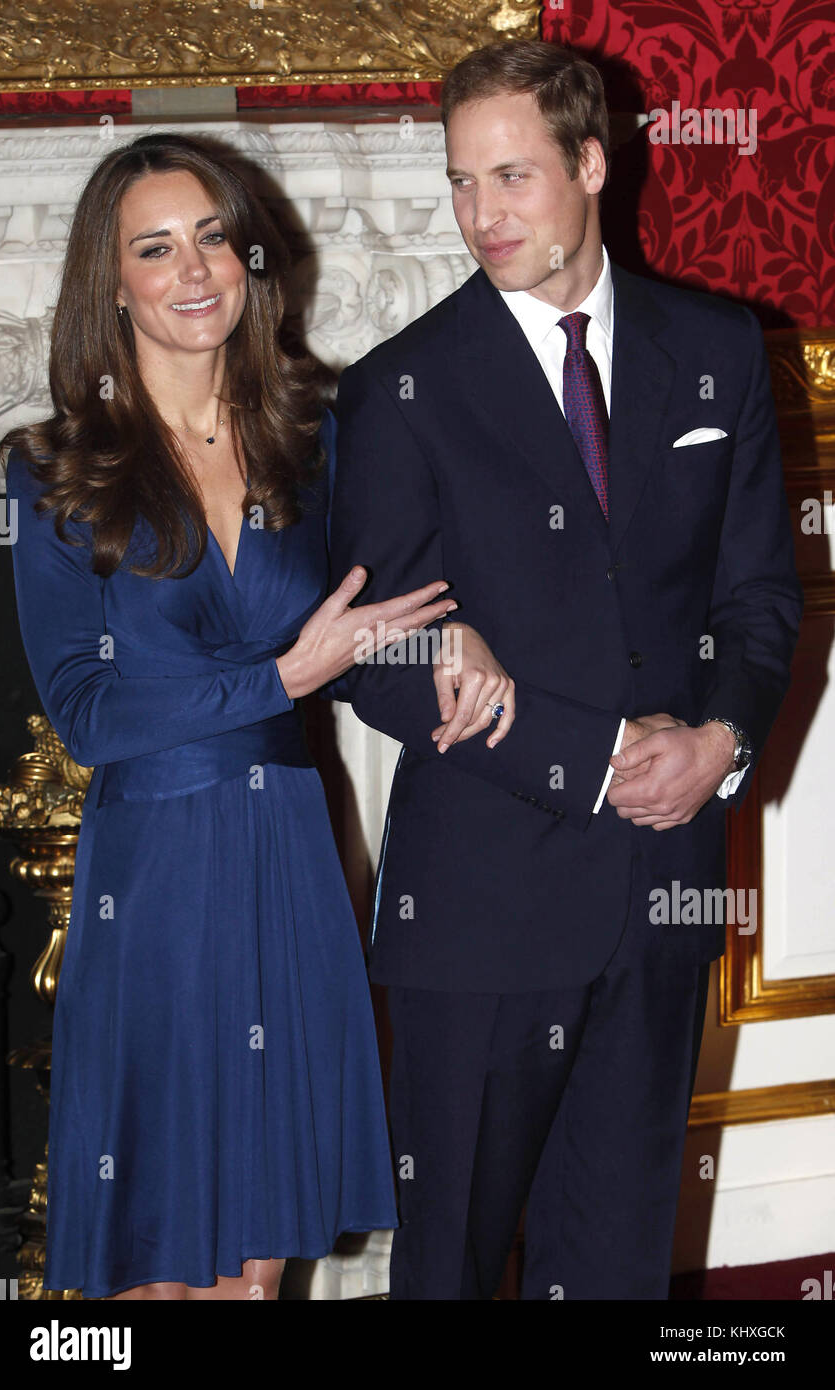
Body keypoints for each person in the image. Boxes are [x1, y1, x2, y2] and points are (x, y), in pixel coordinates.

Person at [327, 39, 803, 1299]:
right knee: (452, 1276)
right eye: (461, 182)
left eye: (513, 177)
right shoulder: (398, 390)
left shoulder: (717, 349)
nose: (483, 215)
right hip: (477, 916)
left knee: (615, 1272)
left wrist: (721, 744)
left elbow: (758, 601)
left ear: (592, 163)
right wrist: (575, 747)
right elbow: (369, 651)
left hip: (659, 895)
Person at [1, 132, 462, 1301]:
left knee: (256, 1270)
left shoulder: (313, 436)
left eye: (213, 235)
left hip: (287, 860)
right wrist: (280, 678)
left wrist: (455, 639)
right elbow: (90, 716)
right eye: (156, 247)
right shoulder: (56, 469)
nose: (195, 268)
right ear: (111, 284)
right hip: (149, 876)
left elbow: (368, 630)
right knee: (159, 1260)